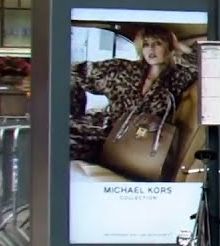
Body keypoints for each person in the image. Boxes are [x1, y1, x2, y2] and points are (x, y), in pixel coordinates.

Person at [69, 25, 197, 172]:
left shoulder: (177, 77)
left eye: (158, 43)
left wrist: (179, 46)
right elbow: (75, 73)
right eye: (146, 44)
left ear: (169, 47)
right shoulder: (124, 69)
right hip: (101, 132)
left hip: (140, 143)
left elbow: (208, 66)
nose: (151, 49)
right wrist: (75, 110)